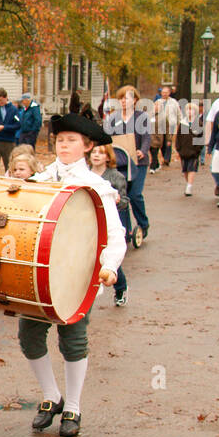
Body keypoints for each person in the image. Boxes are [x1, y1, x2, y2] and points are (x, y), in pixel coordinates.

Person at [20, 114, 125, 437]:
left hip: (77, 275)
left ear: (88, 146)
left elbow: (116, 234)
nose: (63, 145)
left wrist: (109, 266)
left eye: (71, 140)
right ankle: (52, 397)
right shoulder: (39, 181)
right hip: (38, 274)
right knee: (30, 337)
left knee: (73, 339)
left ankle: (74, 407)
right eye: (60, 139)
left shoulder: (96, 187)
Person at [103, 85, 151, 240]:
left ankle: (143, 224)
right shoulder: (114, 118)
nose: (124, 101)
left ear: (135, 100)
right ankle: (125, 229)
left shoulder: (141, 117)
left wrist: (142, 150)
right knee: (121, 196)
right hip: (121, 163)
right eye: (121, 98)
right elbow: (107, 138)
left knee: (135, 194)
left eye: (127, 98)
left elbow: (146, 138)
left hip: (138, 162)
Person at [88, 142, 129, 306]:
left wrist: (117, 201)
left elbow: (125, 201)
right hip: (89, 223)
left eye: (101, 152)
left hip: (107, 222)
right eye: (94, 152)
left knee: (108, 257)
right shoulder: (83, 175)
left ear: (108, 157)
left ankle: (121, 288)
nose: (96, 155)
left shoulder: (116, 177)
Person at [175, 99, 204, 196]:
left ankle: (189, 186)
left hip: (193, 152)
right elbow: (178, 137)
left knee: (192, 168)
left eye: (191, 110)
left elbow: (200, 138)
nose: (189, 112)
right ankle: (188, 183)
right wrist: (178, 149)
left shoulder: (198, 123)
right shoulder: (183, 123)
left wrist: (197, 150)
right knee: (185, 169)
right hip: (183, 151)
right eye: (187, 110)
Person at [150, 84, 179, 172]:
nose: (164, 94)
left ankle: (166, 158)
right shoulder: (158, 101)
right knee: (159, 142)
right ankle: (158, 160)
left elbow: (178, 113)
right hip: (158, 124)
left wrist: (178, 122)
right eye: (163, 92)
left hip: (170, 123)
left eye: (166, 92)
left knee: (168, 141)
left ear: (169, 93)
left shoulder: (174, 102)